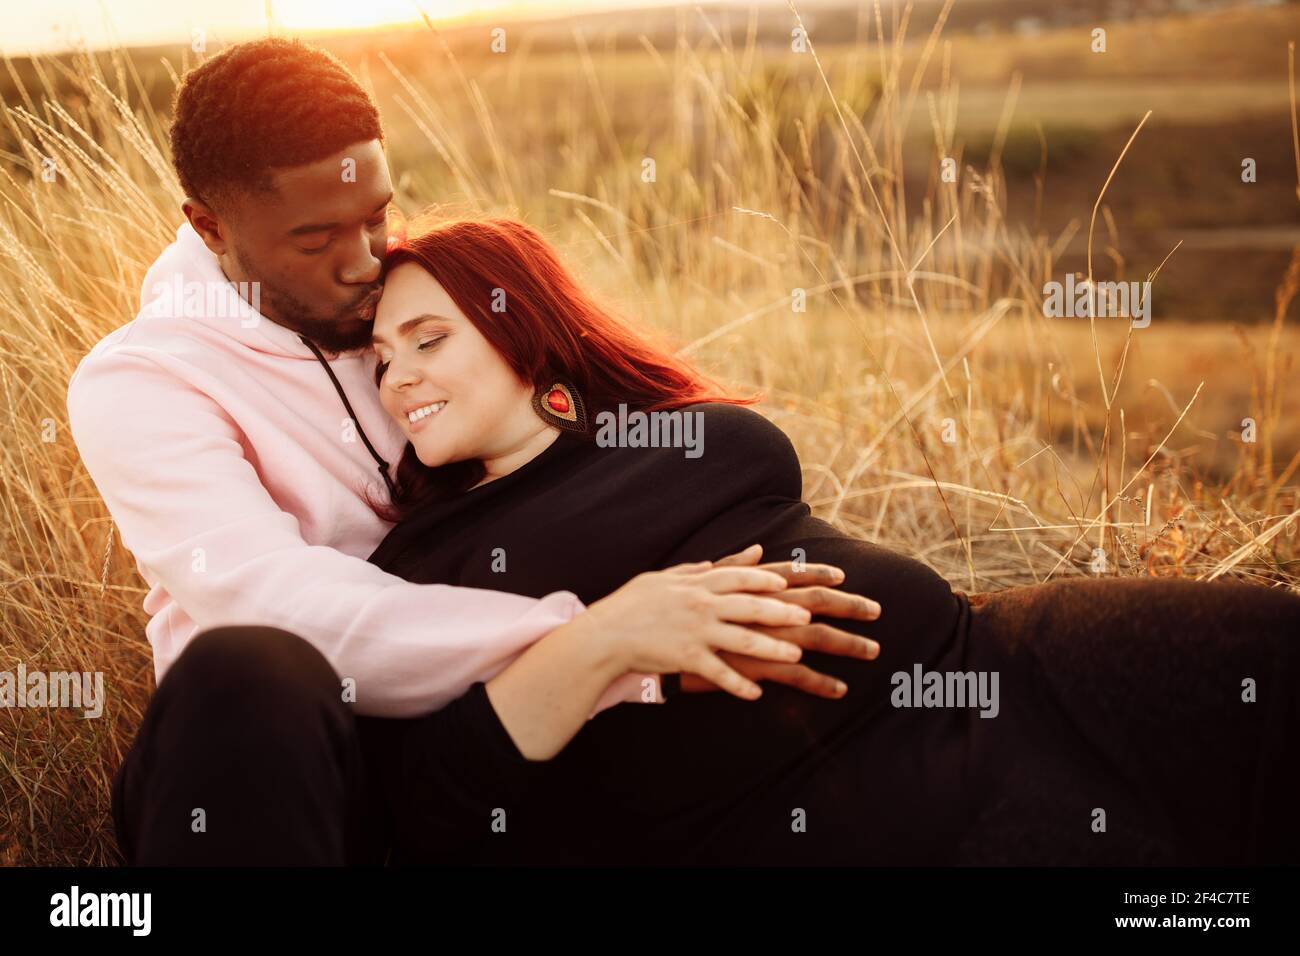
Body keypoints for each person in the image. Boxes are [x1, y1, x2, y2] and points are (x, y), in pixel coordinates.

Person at [67, 38, 876, 866]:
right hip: (281, 773)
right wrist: (599, 641)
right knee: (249, 668)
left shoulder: (410, 295)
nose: (364, 264)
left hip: (493, 736)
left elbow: (594, 437)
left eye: (377, 216)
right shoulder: (142, 380)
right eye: (315, 242)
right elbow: (283, 610)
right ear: (209, 226)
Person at [349, 216, 1300, 866]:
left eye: (430, 340)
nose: (399, 381)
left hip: (1002, 661)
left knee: (1267, 663)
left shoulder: (642, 425)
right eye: (383, 360)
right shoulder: (431, 557)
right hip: (842, 799)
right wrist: (611, 635)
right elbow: (433, 802)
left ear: (523, 321)